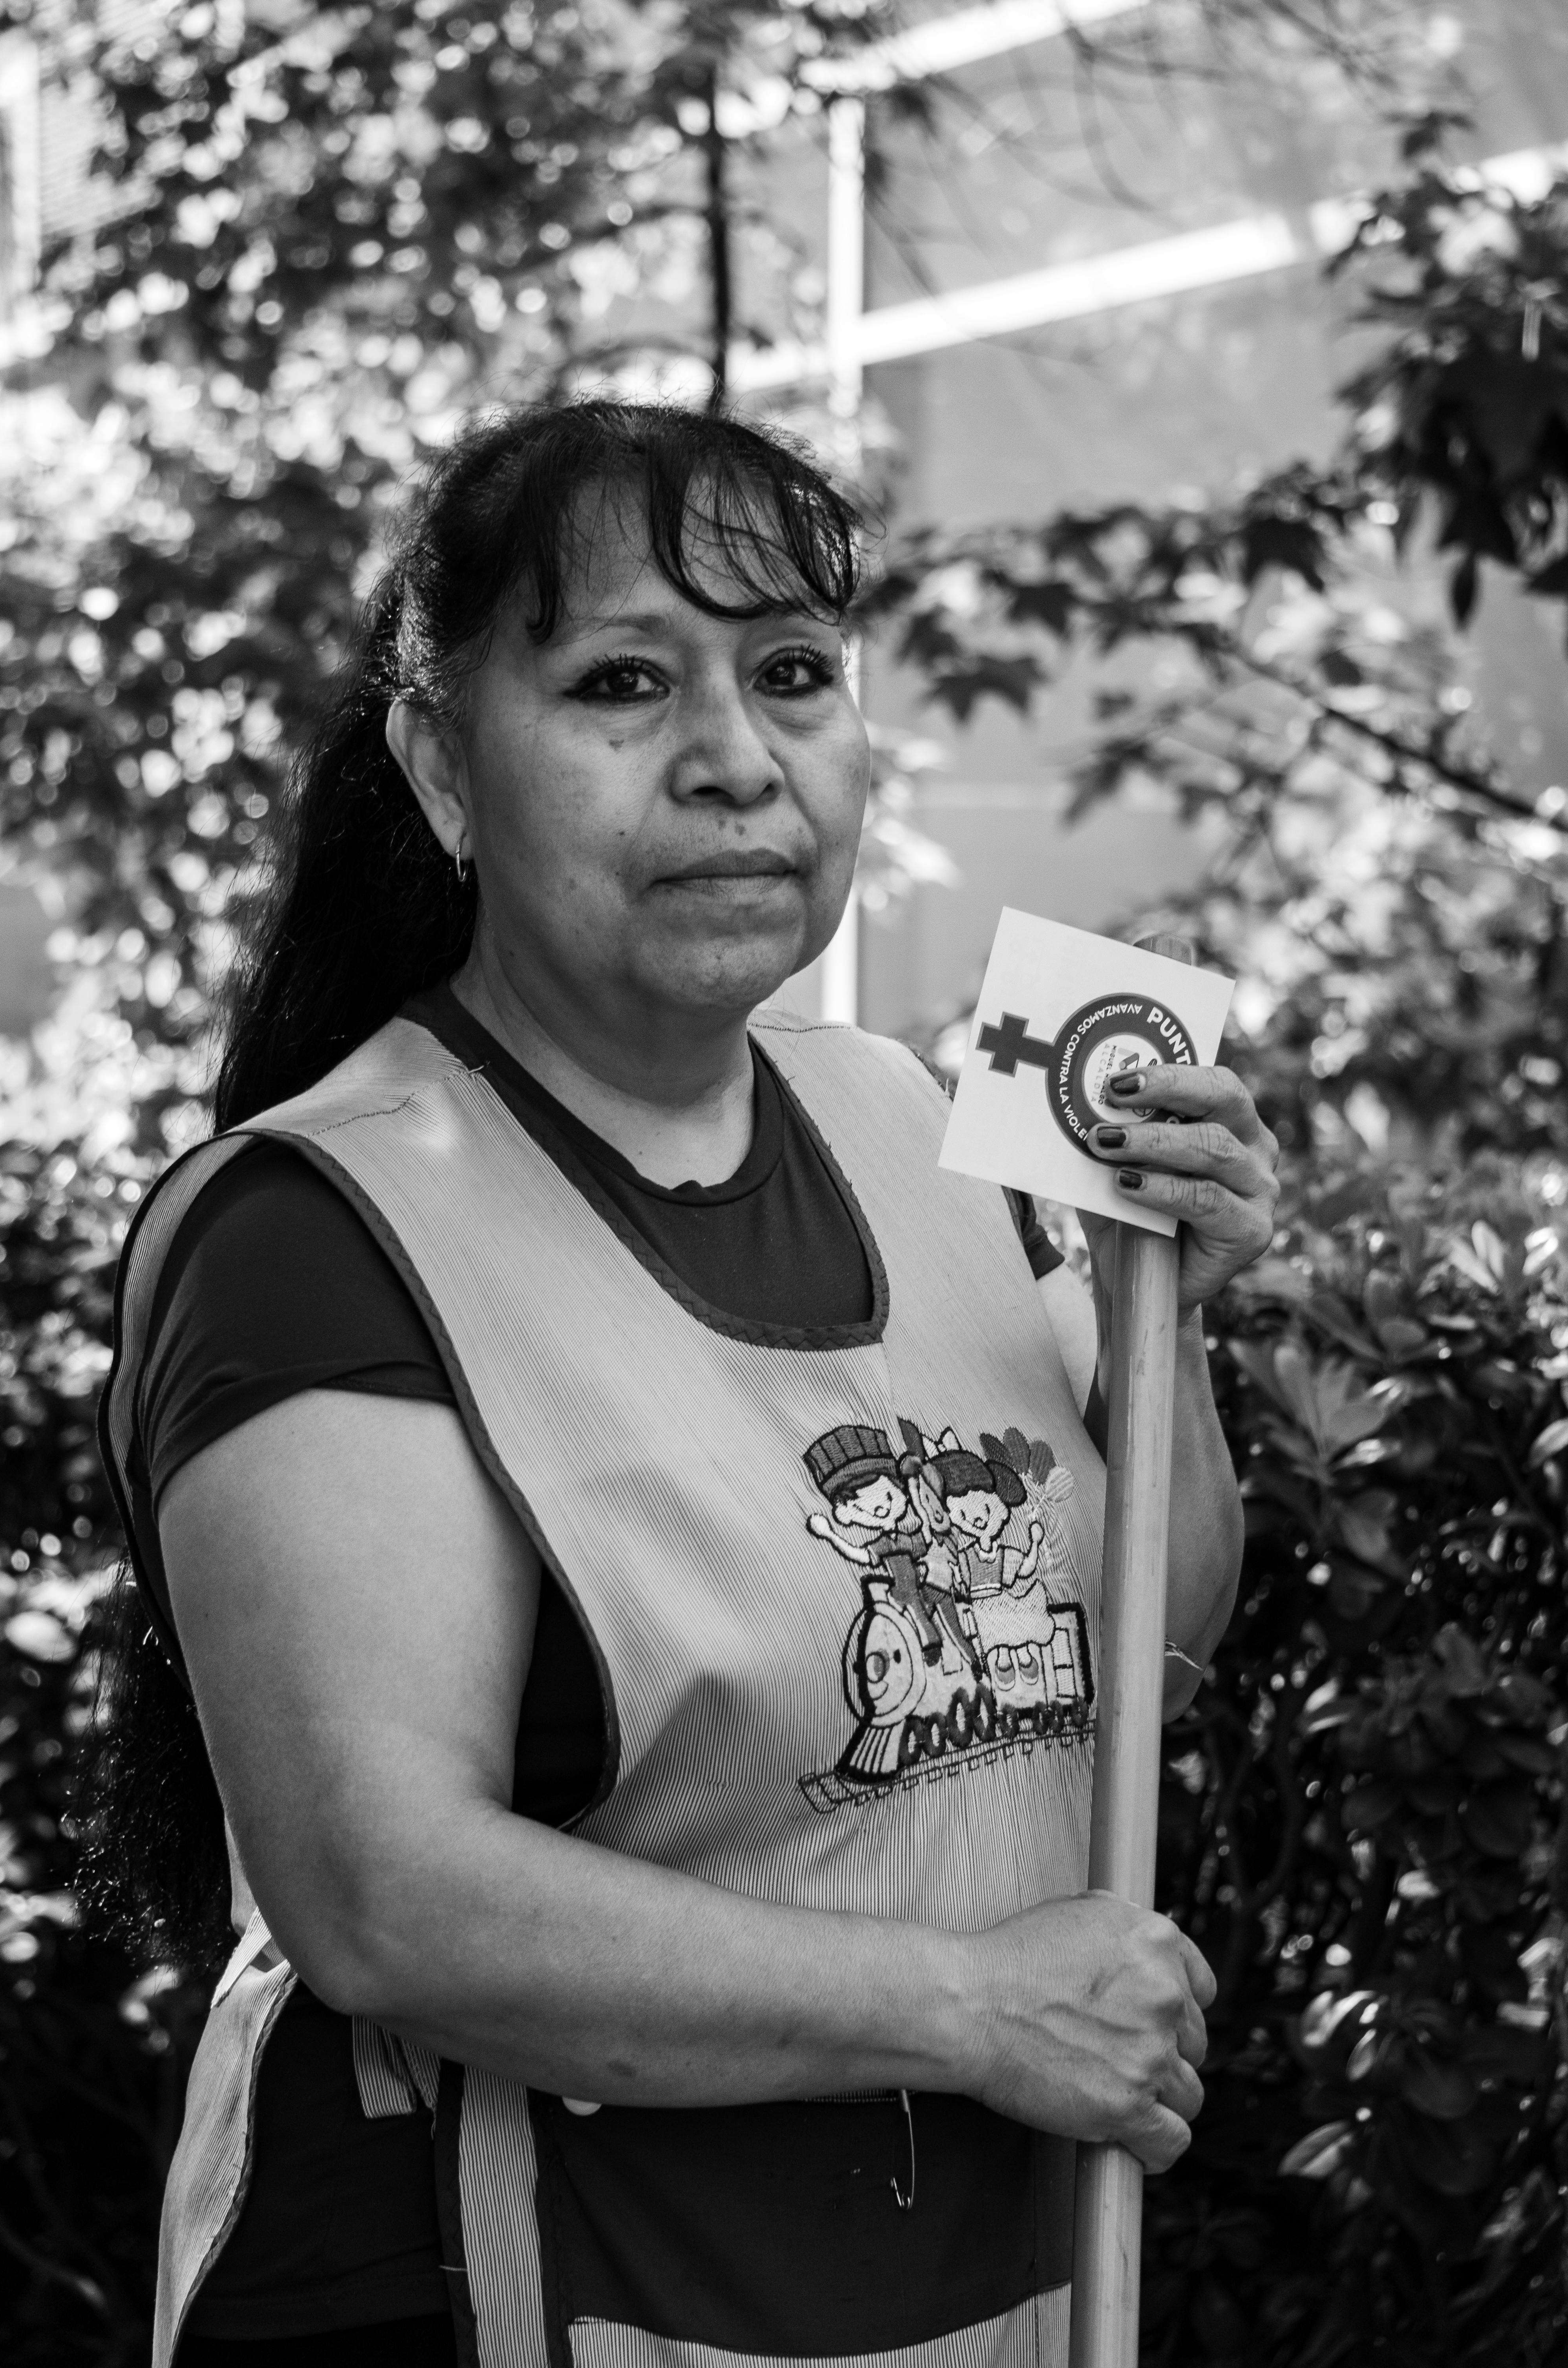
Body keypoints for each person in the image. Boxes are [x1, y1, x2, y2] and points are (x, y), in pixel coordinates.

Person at [90, 398, 1280, 2368]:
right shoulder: (314, 1225)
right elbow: (386, 1891)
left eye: (793, 674)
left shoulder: (916, 1119)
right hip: (504, 2289)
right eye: (624, 683)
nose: (735, 761)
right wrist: (978, 2013)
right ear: (440, 764)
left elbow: (1124, 1657)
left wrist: (1173, 1321)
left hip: (967, 2285)